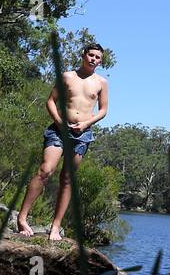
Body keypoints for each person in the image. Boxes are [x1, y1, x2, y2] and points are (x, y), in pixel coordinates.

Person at [15, 42, 109, 241]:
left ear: (100, 61)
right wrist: (59, 122)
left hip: (82, 134)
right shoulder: (67, 76)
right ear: (83, 55)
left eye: (97, 57)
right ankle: (22, 218)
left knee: (67, 179)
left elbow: (103, 110)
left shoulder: (101, 82)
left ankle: (55, 227)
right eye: (91, 55)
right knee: (46, 170)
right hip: (58, 131)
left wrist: (85, 124)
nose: (93, 59)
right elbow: (50, 100)